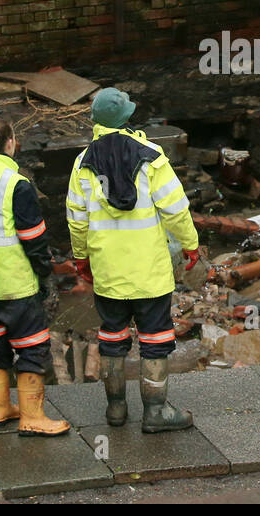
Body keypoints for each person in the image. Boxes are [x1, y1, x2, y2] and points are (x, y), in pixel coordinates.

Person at [66, 88, 201, 433]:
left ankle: (115, 410)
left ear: (95, 120)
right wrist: (190, 244)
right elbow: (176, 208)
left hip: (108, 272)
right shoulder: (152, 156)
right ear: (127, 118)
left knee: (112, 337)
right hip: (150, 273)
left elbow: (76, 219)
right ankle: (155, 413)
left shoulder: (82, 163)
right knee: (154, 340)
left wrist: (82, 260)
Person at [0, 119, 70, 436]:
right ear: (11, 143)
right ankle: (32, 417)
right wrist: (45, 273)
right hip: (16, 284)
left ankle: (1, 408)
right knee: (32, 347)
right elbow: (34, 239)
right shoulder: (16, 184)